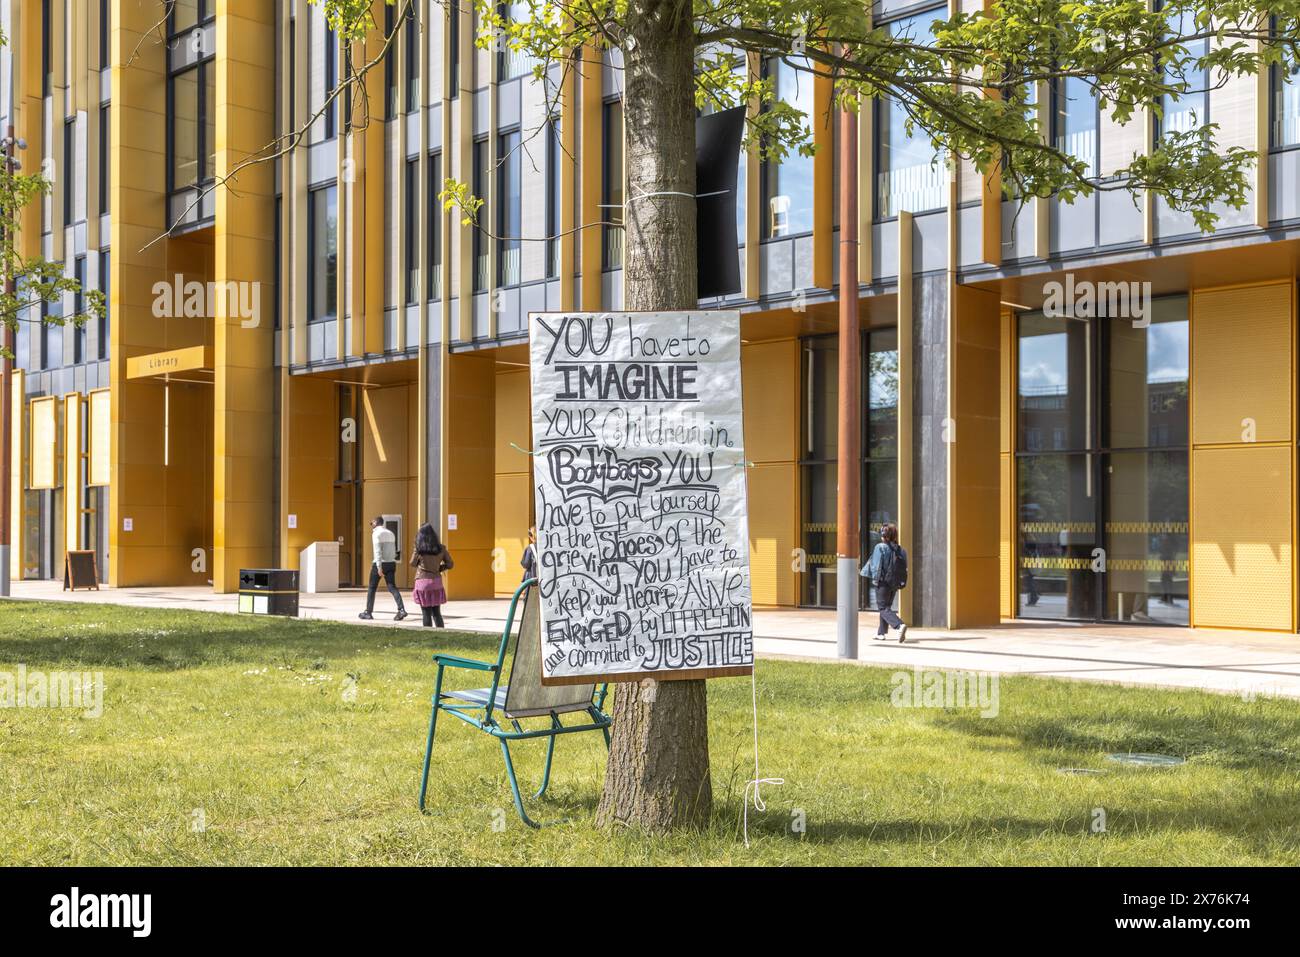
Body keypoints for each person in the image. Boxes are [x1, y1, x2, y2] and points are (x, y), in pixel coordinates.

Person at [861, 522, 908, 642]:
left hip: (883, 582)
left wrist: (875, 580)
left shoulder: (880, 547)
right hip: (894, 582)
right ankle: (881, 633)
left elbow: (876, 566)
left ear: (884, 535)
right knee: (886, 607)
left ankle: (899, 625)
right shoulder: (900, 550)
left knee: (882, 607)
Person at [359, 516, 407, 621]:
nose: (371, 525)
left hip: (380, 563)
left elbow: (378, 551)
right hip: (391, 563)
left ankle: (368, 612)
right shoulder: (391, 533)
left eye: (372, 523)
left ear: (376, 522)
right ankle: (401, 609)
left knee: (372, 588)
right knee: (392, 587)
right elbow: (393, 550)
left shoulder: (376, 533)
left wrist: (379, 567)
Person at [410, 522, 453, 628]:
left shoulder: (419, 549)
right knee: (437, 613)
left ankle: (427, 633)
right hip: (436, 582)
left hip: (422, 582)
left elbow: (412, 563)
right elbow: (450, 564)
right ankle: (441, 632)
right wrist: (440, 568)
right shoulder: (441, 548)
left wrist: (416, 550)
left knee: (426, 613)